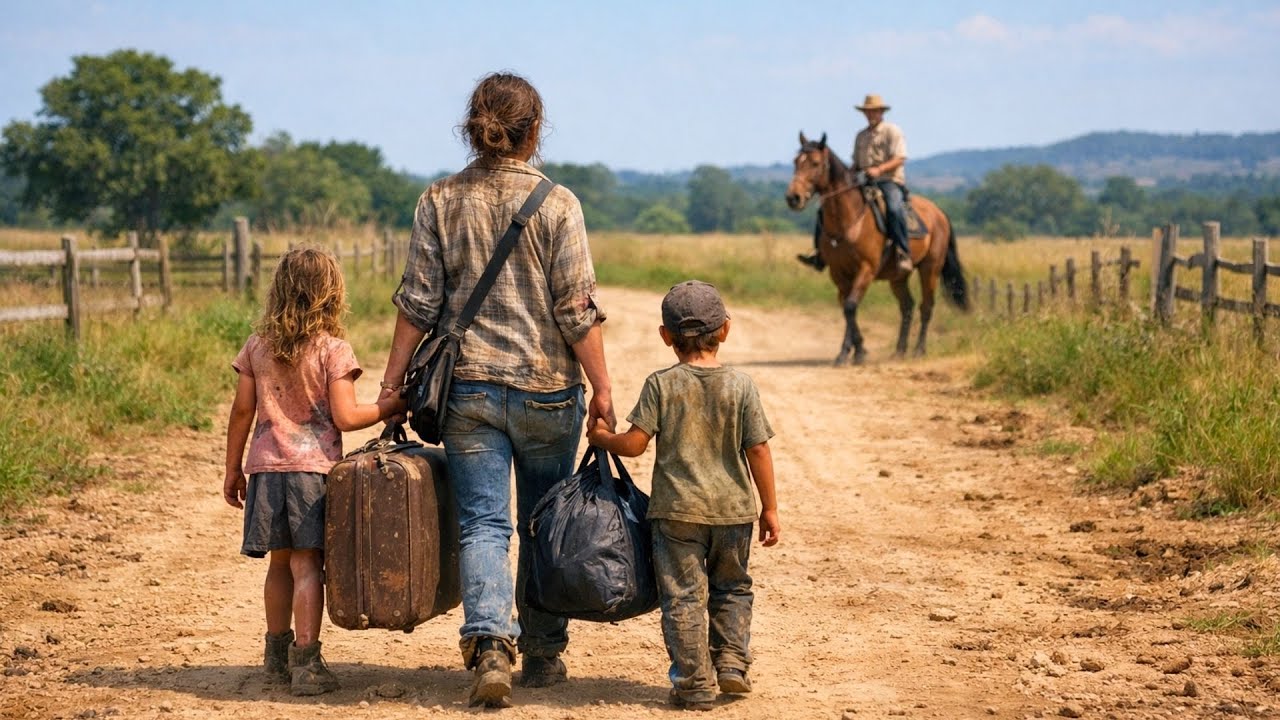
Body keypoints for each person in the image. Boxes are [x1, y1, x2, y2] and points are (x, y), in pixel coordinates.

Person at [378, 71, 614, 708]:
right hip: (548, 390)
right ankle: (542, 652)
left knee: (483, 523)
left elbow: (418, 304)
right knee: (542, 522)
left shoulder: (438, 200)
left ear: (473, 128)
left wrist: (392, 381)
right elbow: (577, 312)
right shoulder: (560, 204)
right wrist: (606, 391)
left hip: (470, 392)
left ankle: (488, 646)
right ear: (533, 132)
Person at [586, 280, 780, 712]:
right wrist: (769, 508)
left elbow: (635, 445)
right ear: (725, 330)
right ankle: (731, 663)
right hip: (733, 514)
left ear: (665, 336)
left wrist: (603, 437)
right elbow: (759, 450)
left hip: (676, 515)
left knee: (683, 597)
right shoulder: (741, 385)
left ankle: (693, 685)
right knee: (731, 588)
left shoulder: (661, 385)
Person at [223, 246, 405, 696]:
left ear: (279, 290)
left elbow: (242, 412)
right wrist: (390, 406)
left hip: (266, 469)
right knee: (309, 566)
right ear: (331, 293)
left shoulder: (257, 346)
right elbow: (345, 417)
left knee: (278, 564)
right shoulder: (332, 350)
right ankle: (306, 663)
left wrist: (233, 469)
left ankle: (275, 659)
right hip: (311, 473)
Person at [797, 92, 912, 273]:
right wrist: (848, 177)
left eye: (874, 111)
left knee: (894, 206)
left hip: (889, 180)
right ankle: (820, 254)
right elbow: (857, 163)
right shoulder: (861, 135)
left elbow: (900, 158)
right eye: (867, 112)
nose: (870, 115)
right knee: (824, 208)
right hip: (864, 180)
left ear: (881, 112)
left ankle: (903, 252)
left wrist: (879, 170)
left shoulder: (892, 131)